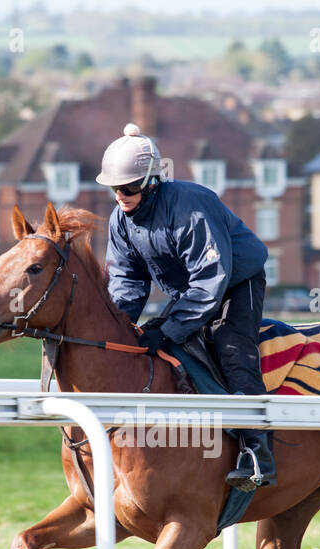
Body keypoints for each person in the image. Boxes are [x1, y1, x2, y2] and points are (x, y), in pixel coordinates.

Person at [98, 122, 277, 491]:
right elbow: (127, 284)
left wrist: (167, 328)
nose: (121, 195)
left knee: (231, 347)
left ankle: (257, 453)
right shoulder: (121, 221)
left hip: (234, 282)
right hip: (191, 292)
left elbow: (212, 279)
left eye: (129, 187)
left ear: (151, 182)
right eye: (115, 187)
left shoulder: (189, 205)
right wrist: (118, 328)